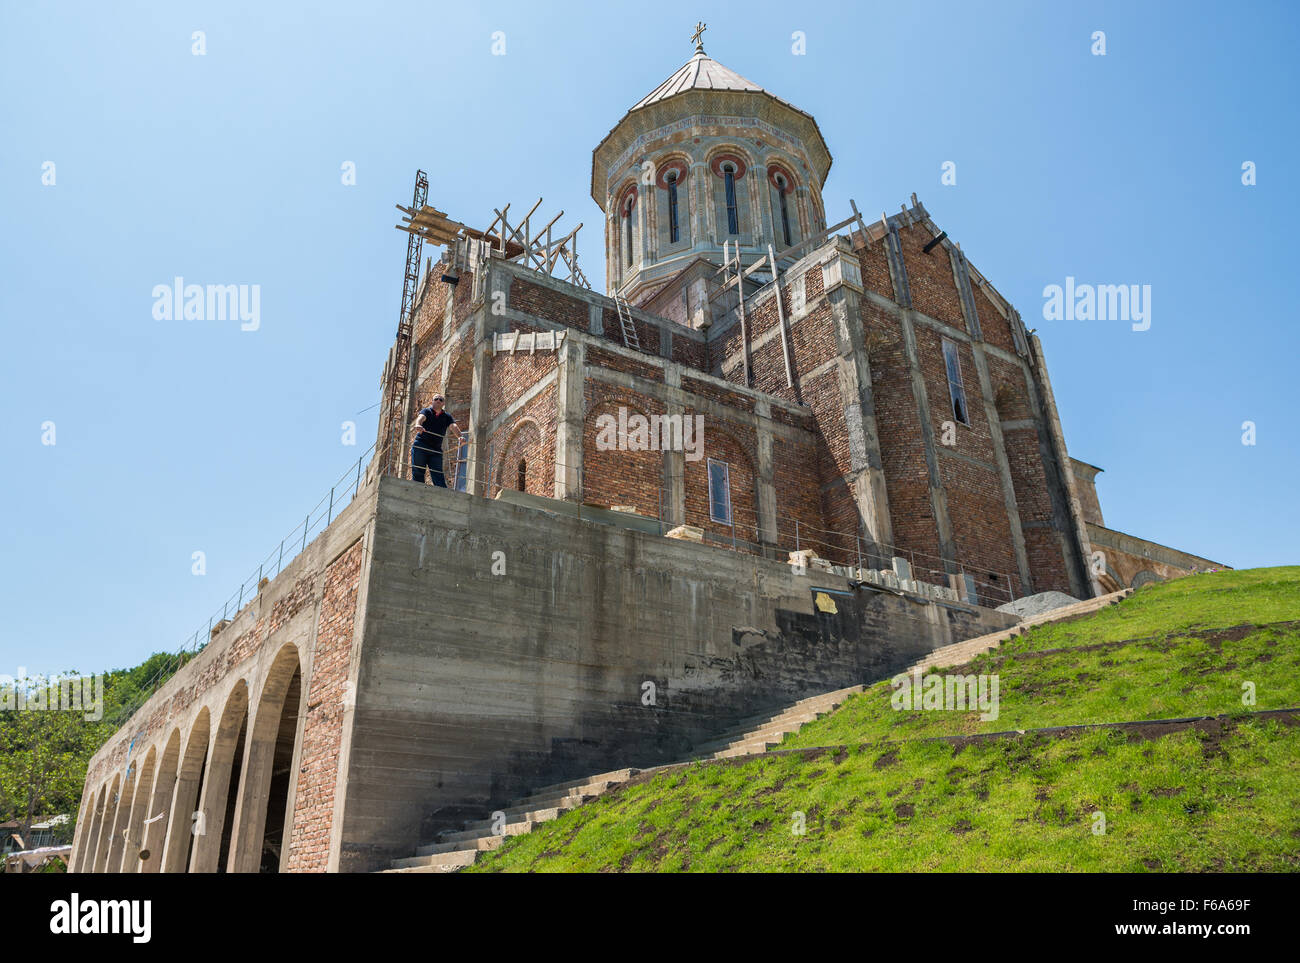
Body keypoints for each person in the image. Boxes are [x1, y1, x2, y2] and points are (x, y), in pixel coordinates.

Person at [410, 393, 461, 487]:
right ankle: (417, 490)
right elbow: (421, 418)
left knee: (438, 474)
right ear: (432, 401)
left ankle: (443, 495)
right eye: (436, 399)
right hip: (421, 445)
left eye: (440, 400)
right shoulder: (427, 411)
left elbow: (453, 426)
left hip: (436, 449)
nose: (438, 400)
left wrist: (459, 436)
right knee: (418, 471)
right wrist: (418, 424)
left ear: (443, 404)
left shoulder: (446, 416)